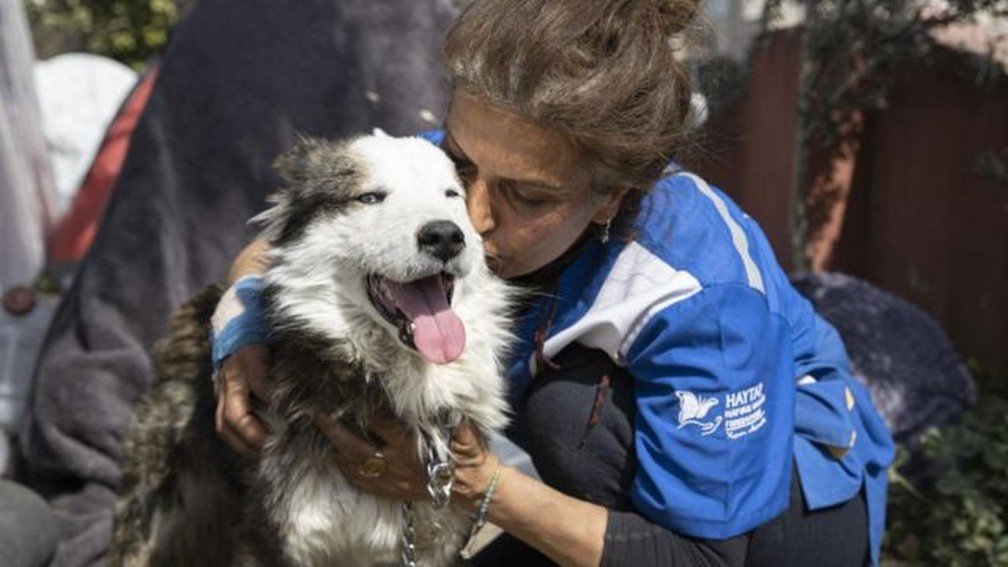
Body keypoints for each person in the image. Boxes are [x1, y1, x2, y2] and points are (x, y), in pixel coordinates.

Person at [212, 1, 895, 565]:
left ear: (610, 197)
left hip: (777, 521)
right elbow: (289, 240)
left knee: (570, 414)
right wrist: (240, 329)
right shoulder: (495, 149)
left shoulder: (701, 295)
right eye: (460, 168)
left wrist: (472, 484)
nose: (472, 218)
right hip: (604, 506)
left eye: (528, 197)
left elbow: (707, 555)